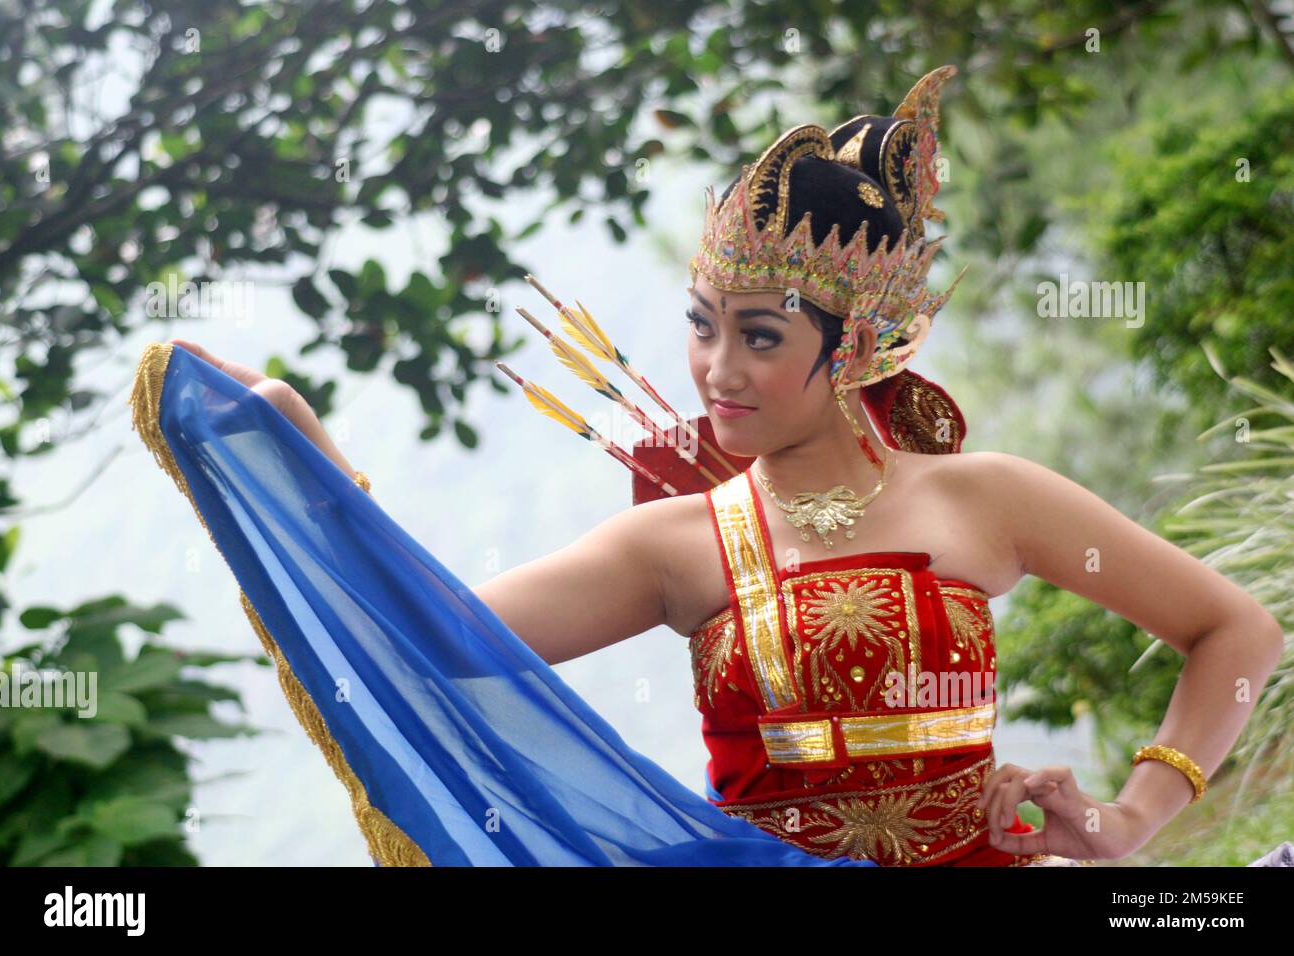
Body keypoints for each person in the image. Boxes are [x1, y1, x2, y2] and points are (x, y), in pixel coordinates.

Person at [132, 64, 1285, 867]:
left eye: (760, 337)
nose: (714, 369)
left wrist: (1136, 813)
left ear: (853, 347)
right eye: (701, 325)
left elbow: (1236, 630)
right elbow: (426, 642)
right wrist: (301, 464)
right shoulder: (672, 546)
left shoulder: (987, 497)